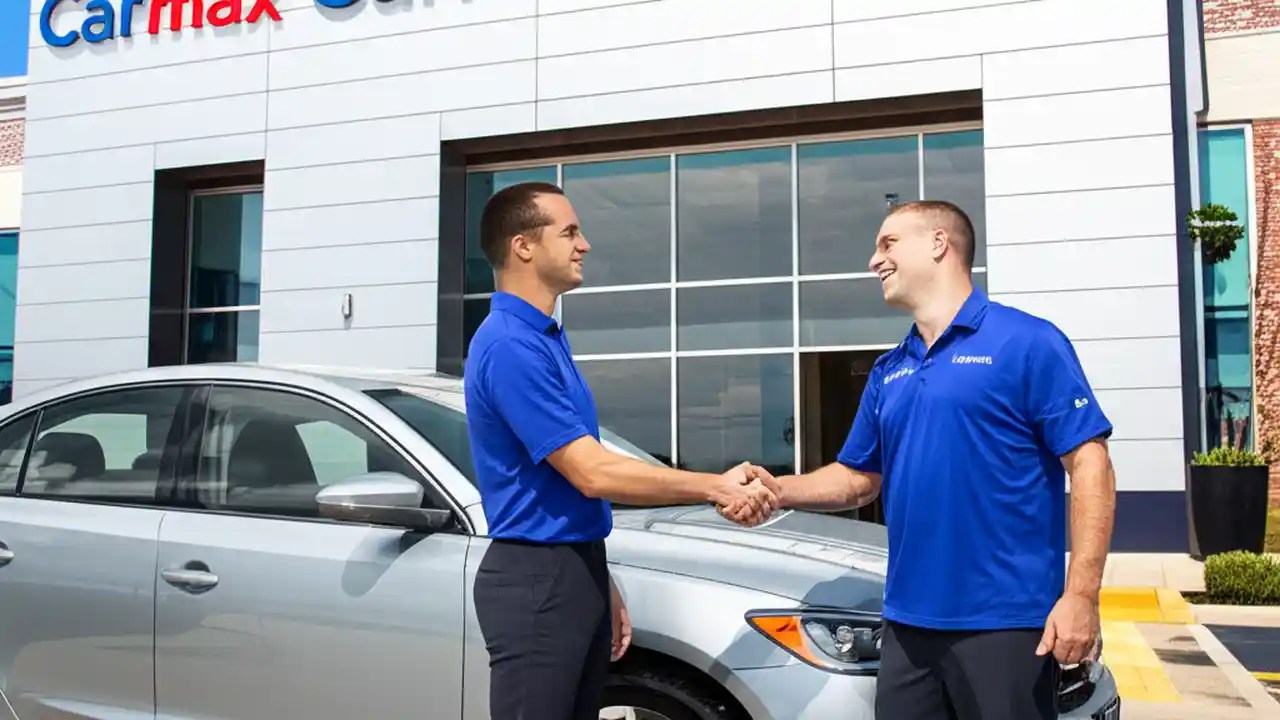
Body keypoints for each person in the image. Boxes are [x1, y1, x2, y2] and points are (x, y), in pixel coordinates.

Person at [723, 200, 1116, 719]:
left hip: (1005, 624)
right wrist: (775, 490)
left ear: (938, 244)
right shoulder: (890, 369)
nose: (874, 261)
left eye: (888, 244)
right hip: (907, 628)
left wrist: (1082, 595)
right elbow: (858, 479)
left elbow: (1091, 465)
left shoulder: (1027, 342)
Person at [464, 181, 780, 720]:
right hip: (537, 578)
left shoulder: (542, 339)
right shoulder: (510, 345)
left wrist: (597, 578)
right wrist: (713, 485)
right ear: (523, 246)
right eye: (568, 232)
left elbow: (566, 487)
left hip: (571, 568)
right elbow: (590, 470)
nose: (583, 244)